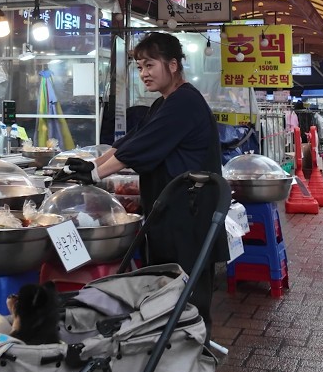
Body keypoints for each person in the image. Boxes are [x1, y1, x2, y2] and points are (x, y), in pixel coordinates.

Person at [63, 31, 224, 326]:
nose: (143, 74)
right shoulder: (164, 103)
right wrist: (88, 164)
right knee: (166, 290)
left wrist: (97, 173)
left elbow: (143, 148)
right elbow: (131, 141)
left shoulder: (184, 102)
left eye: (150, 65)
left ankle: (194, 356)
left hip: (189, 215)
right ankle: (167, 351)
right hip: (170, 213)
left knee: (187, 294)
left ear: (172, 65)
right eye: (139, 67)